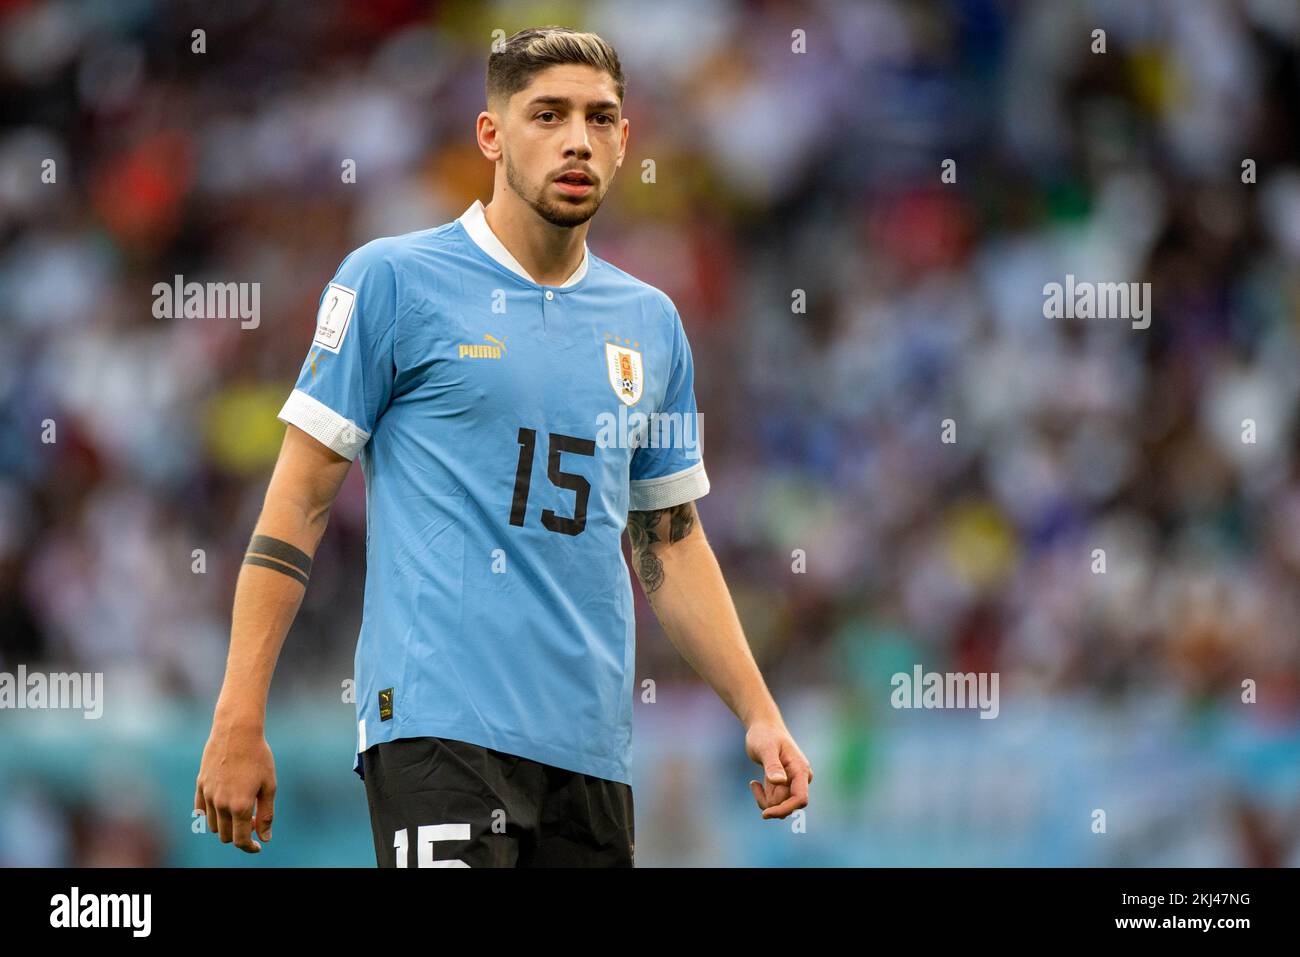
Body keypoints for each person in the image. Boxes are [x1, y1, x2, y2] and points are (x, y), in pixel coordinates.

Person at [195, 25, 811, 867]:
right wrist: (237, 714)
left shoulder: (653, 325)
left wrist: (758, 709)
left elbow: (669, 539)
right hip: (437, 728)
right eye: (547, 115)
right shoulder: (393, 281)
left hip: (590, 750)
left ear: (626, 142)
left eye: (600, 119)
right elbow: (298, 502)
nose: (576, 140)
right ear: (491, 135)